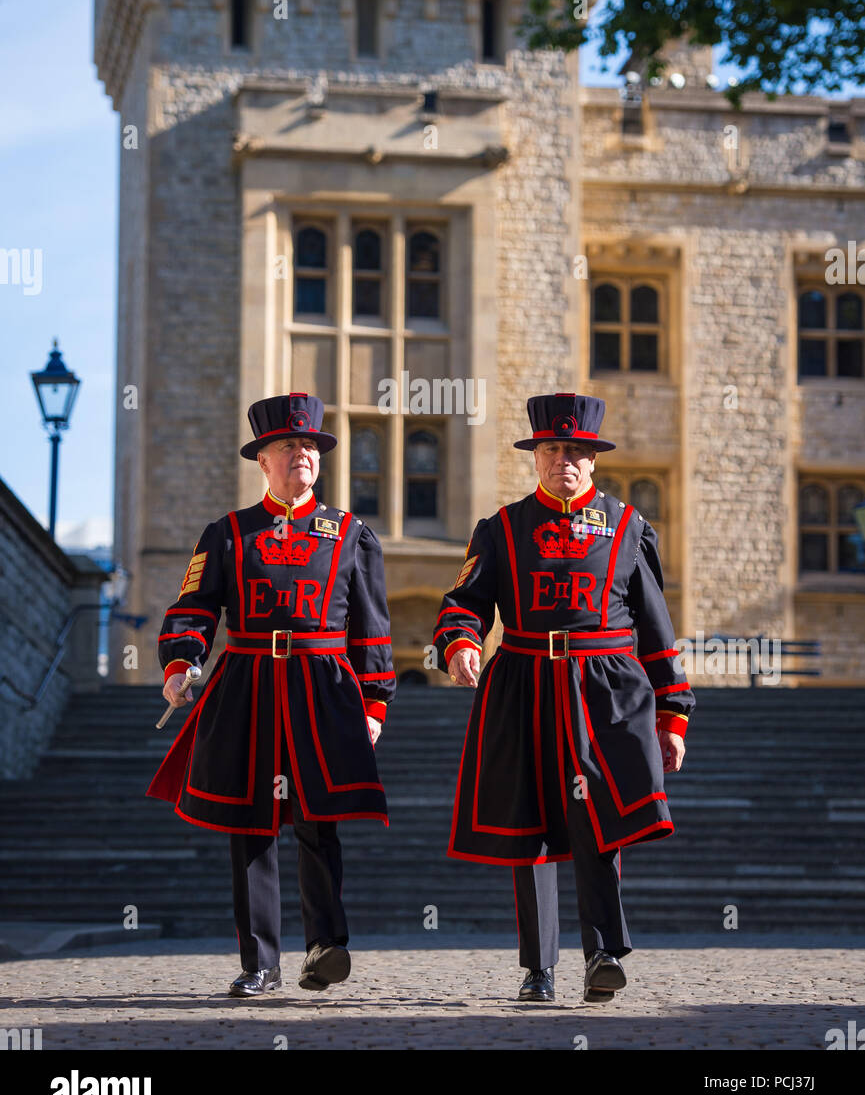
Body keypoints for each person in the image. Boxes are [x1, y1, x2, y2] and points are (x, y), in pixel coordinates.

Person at [432, 393, 694, 1004]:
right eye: (552, 449)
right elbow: (463, 603)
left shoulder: (631, 527)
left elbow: (657, 630)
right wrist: (460, 643)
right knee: (531, 831)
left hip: (605, 693)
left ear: (594, 460)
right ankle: (538, 969)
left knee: (599, 821)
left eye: (576, 451)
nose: (563, 461)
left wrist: (674, 715)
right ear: (536, 457)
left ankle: (603, 952)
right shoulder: (499, 528)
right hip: (522, 686)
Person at [147, 392, 395, 996]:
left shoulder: (352, 534)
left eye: (309, 446)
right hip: (249, 690)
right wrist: (182, 661)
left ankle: (325, 946)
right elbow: (192, 609)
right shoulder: (227, 533)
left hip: (325, 691)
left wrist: (374, 701)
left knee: (319, 822)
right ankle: (259, 962)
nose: (301, 455)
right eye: (288, 446)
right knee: (251, 826)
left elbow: (371, 625)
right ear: (263, 460)